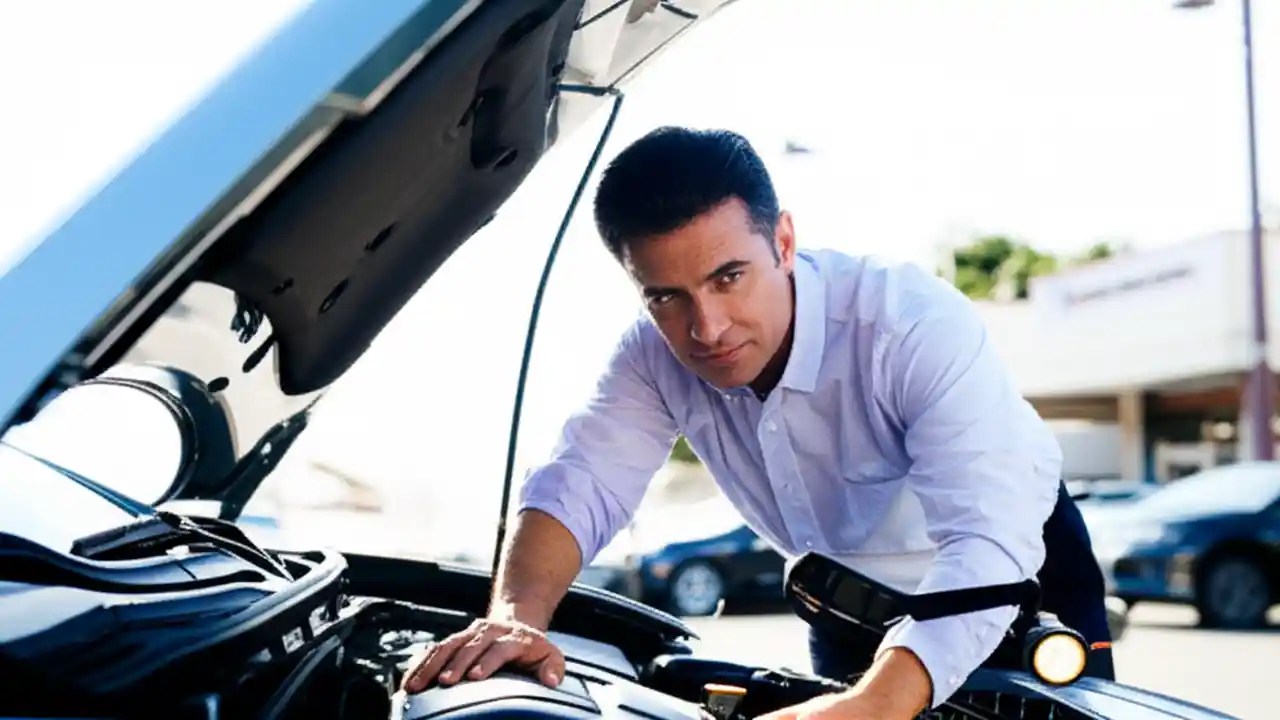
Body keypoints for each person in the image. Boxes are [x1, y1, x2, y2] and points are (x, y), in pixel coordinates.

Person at [401, 127, 1113, 719]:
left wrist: (875, 706)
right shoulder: (651, 356)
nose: (706, 327)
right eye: (666, 296)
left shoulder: (907, 322)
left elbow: (988, 541)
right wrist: (517, 617)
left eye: (727, 277)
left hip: (1017, 575)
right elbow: (583, 480)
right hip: (845, 602)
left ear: (784, 242)